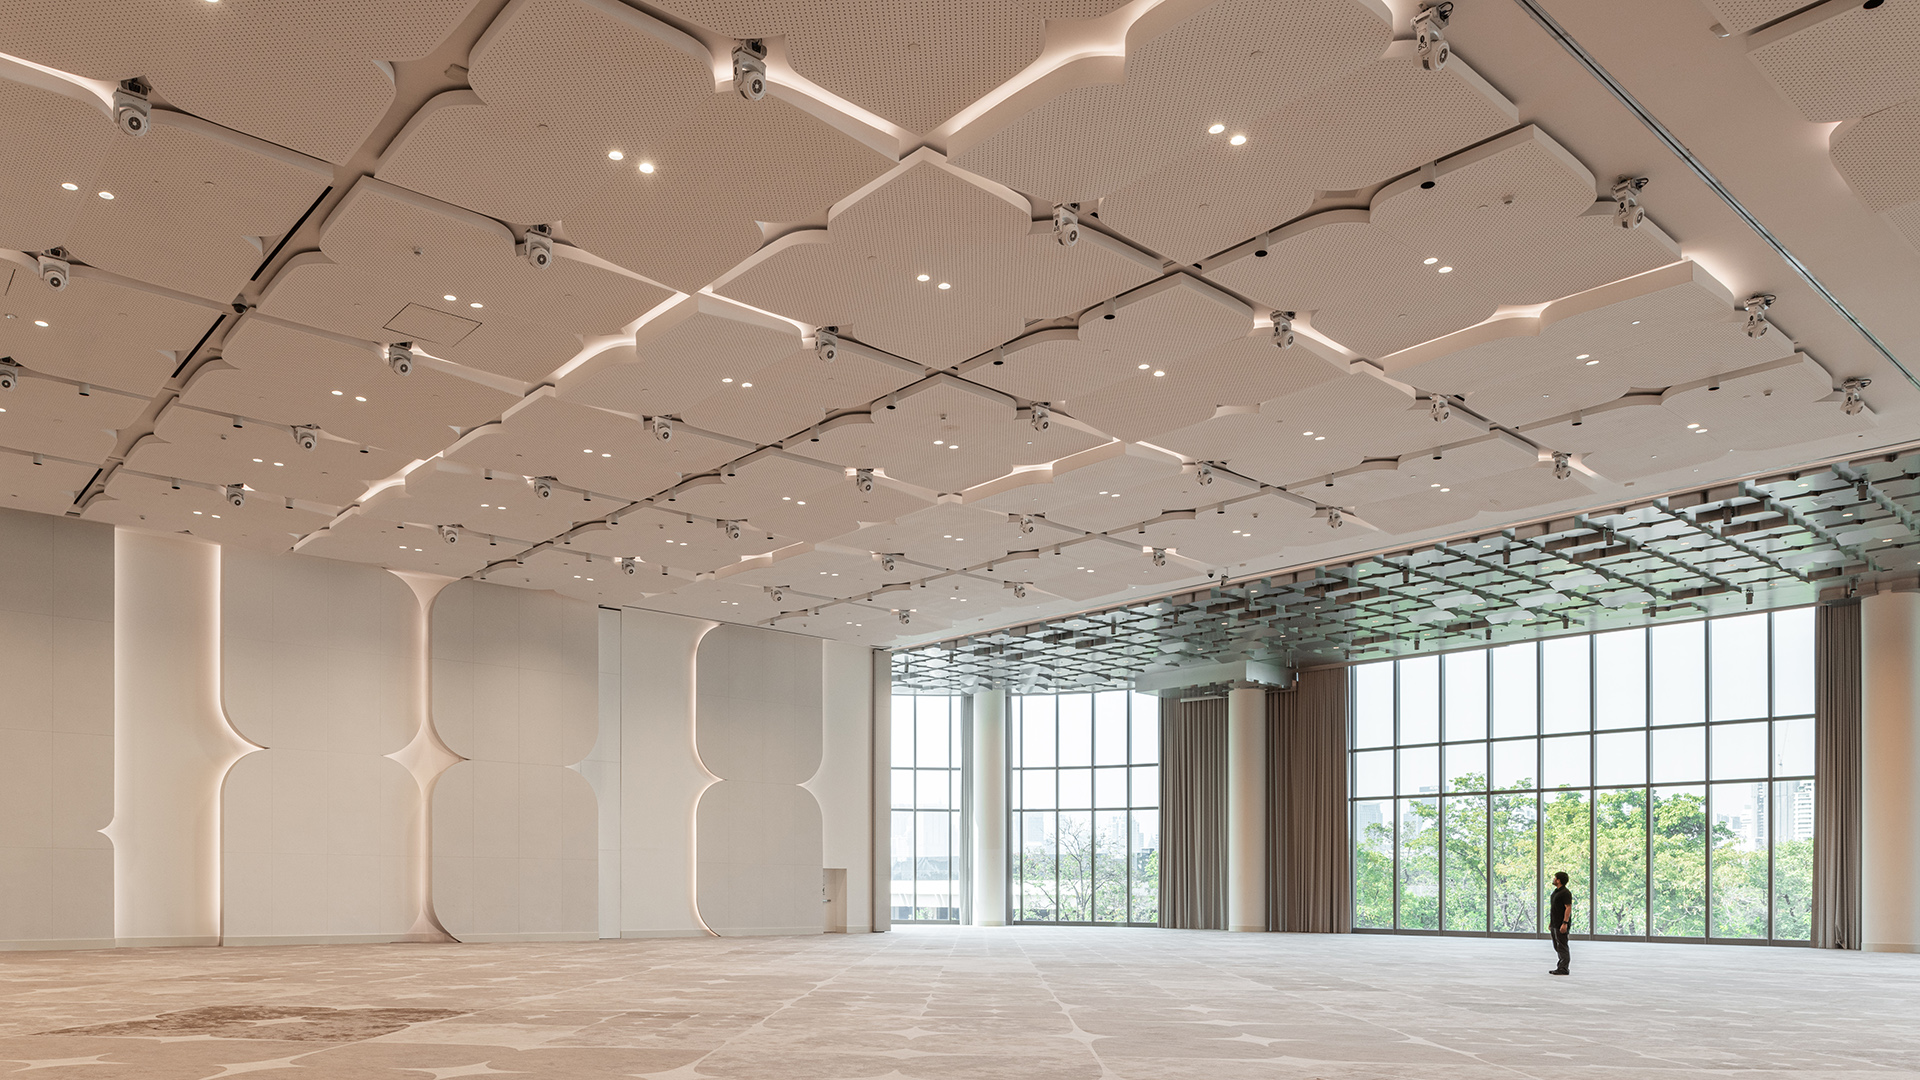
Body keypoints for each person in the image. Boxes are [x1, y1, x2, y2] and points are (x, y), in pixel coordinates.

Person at [1548, 871, 1573, 975]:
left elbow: (1568, 908)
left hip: (1561, 923)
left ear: (1559, 880)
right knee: (1557, 946)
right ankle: (1560, 966)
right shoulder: (1556, 892)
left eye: (1555, 878)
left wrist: (1565, 923)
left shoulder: (1565, 893)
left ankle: (1564, 968)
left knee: (1562, 945)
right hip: (1555, 923)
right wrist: (1551, 923)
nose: (1554, 879)